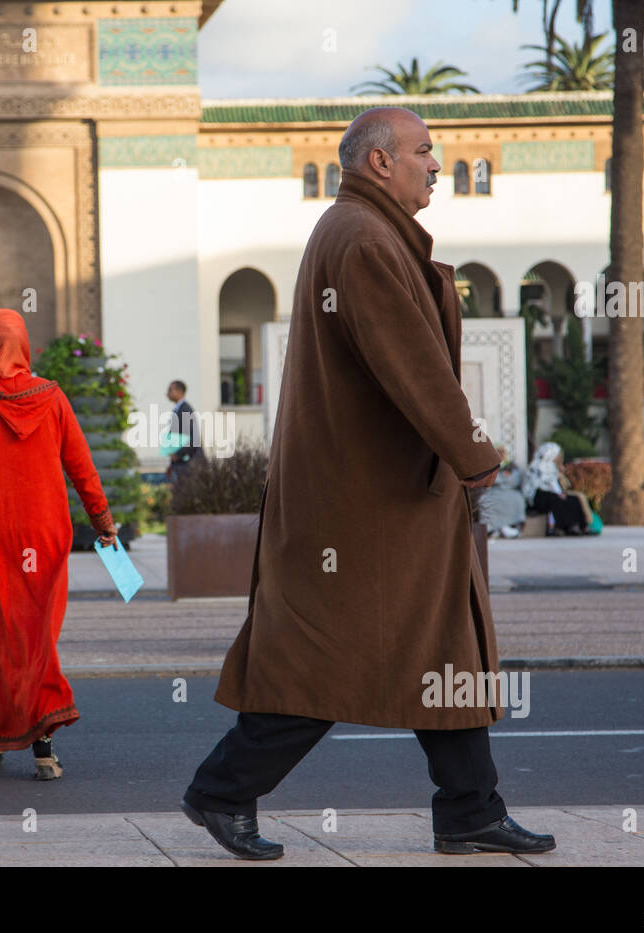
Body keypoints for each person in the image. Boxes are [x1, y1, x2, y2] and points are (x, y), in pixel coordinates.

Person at [180, 107, 555, 860]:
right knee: (324, 661)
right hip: (363, 512)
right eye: (423, 151)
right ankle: (220, 791)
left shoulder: (361, 231)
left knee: (445, 647)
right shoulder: (363, 238)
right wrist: (477, 455)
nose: (437, 164)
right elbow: (415, 370)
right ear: (379, 162)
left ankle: (470, 810)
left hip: (390, 501)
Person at [0, 308, 117, 780]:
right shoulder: (53, 397)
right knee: (34, 635)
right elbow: (80, 465)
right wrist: (102, 521)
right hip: (44, 534)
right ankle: (43, 742)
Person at [522, 442, 588, 536]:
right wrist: (557, 494)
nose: (559, 456)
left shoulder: (552, 467)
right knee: (556, 500)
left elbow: (554, 484)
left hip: (551, 494)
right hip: (537, 497)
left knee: (573, 499)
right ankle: (562, 527)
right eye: (557, 454)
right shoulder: (535, 467)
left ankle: (581, 526)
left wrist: (560, 493)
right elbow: (535, 486)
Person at [478, 444, 528, 538]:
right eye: (498, 452)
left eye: (502, 452)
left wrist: (503, 480)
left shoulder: (512, 466)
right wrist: (502, 478)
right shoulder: (489, 464)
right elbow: (488, 480)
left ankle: (507, 527)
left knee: (517, 499)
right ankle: (493, 529)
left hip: (510, 491)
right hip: (493, 491)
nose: (501, 454)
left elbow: (515, 480)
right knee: (487, 500)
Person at [165, 380, 206, 479]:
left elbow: (193, 439)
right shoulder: (178, 409)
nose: (167, 393)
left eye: (170, 390)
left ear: (179, 392)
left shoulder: (185, 410)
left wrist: (177, 455)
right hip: (182, 464)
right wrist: (172, 464)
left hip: (190, 465)